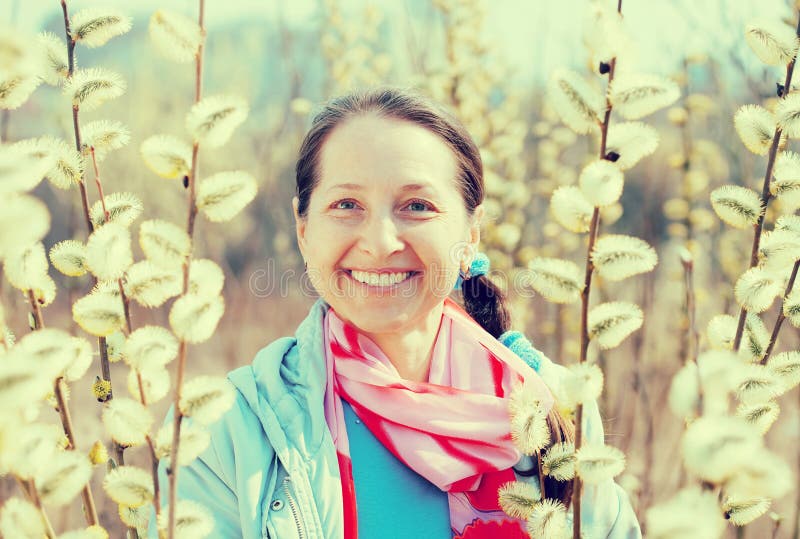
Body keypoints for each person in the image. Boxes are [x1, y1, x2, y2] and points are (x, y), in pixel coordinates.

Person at [151, 87, 640, 538]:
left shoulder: (553, 409)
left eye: (417, 206)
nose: (381, 243)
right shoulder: (221, 433)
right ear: (303, 228)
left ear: (472, 232)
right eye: (346, 204)